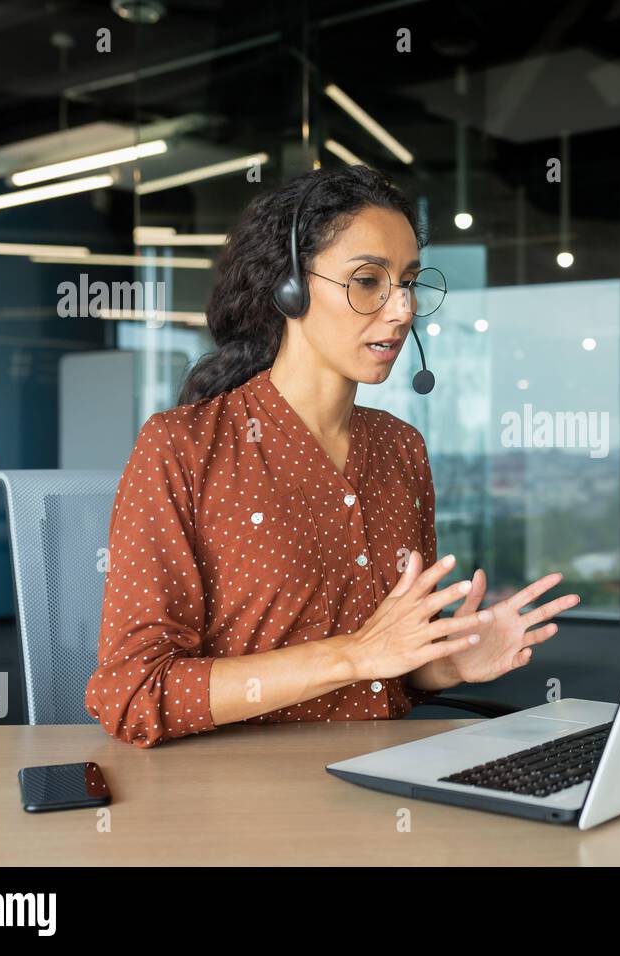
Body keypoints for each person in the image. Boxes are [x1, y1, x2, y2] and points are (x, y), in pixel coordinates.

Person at [85, 166, 580, 747]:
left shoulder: (401, 449)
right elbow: (134, 693)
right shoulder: (183, 446)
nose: (402, 310)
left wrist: (447, 661)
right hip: (236, 801)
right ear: (290, 286)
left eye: (409, 283)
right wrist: (351, 655)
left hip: (381, 780)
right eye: (368, 281)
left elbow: (390, 671)